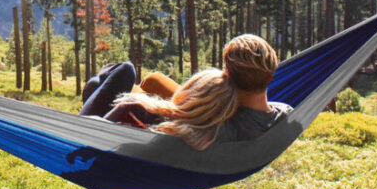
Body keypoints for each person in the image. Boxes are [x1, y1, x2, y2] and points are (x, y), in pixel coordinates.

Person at [79, 35, 292, 150]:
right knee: (112, 83)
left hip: (93, 133)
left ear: (226, 73)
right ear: (272, 72)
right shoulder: (285, 115)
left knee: (124, 71)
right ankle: (95, 88)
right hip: (186, 110)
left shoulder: (217, 126)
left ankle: (95, 88)